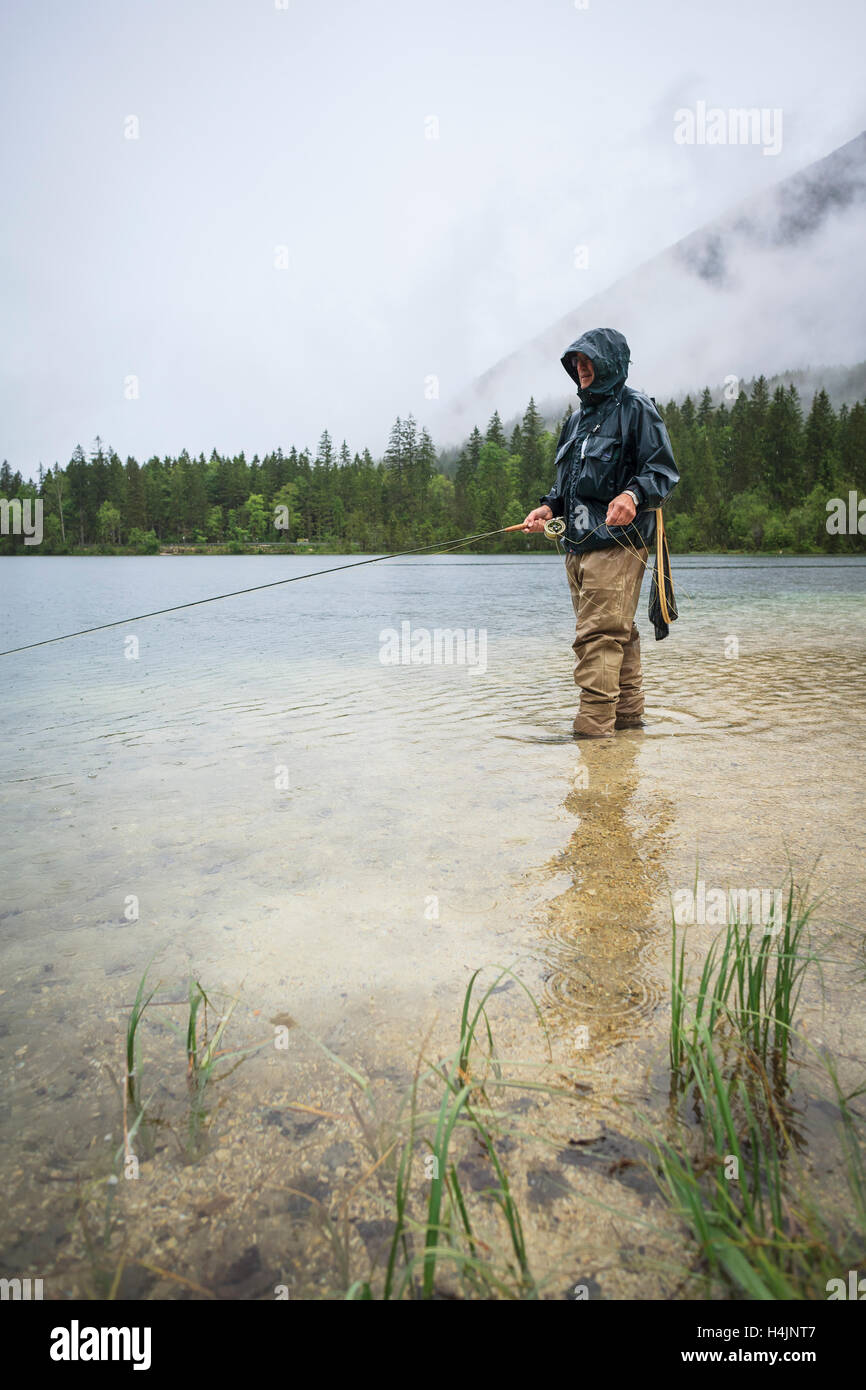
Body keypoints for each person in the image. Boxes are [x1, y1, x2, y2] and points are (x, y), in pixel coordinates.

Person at [522, 327, 679, 739]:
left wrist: (633, 493)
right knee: (617, 634)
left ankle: (592, 736)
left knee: (597, 637)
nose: (580, 366)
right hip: (576, 547)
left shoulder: (637, 409)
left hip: (619, 545)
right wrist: (548, 507)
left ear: (609, 363)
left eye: (588, 359)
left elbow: (662, 470)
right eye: (575, 360)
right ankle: (627, 729)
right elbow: (567, 484)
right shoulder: (576, 420)